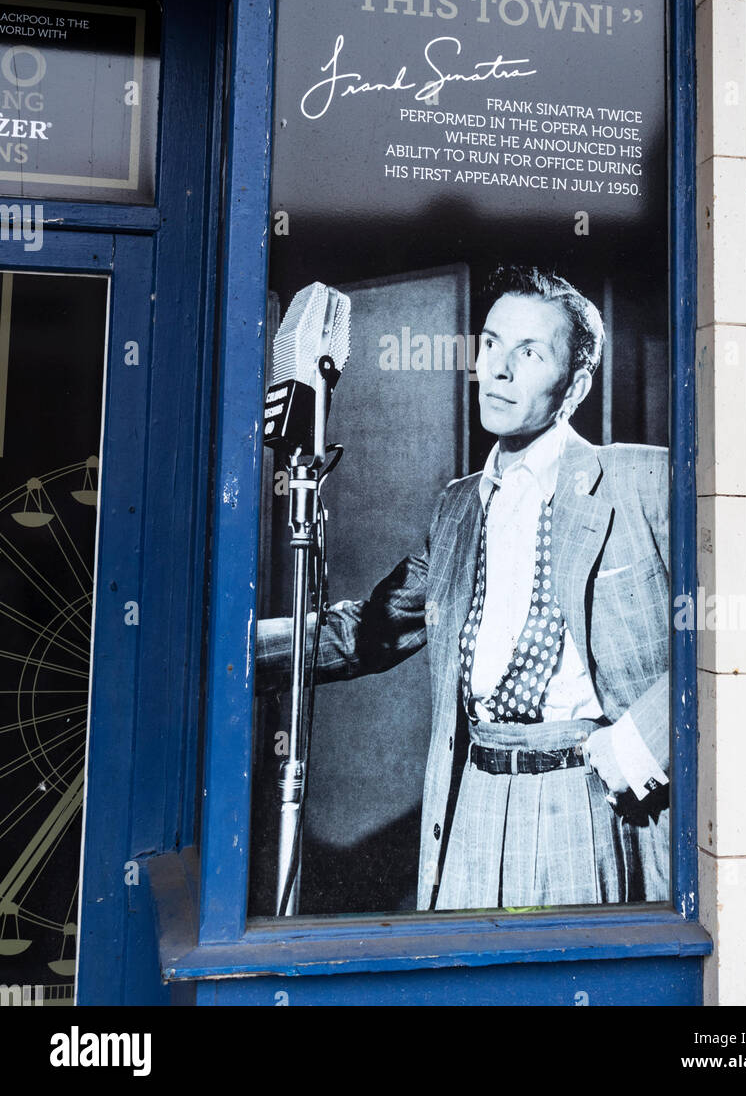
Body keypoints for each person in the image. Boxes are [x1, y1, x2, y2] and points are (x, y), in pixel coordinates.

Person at [262, 265, 669, 909]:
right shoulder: (456, 509)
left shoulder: (643, 482)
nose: (498, 370)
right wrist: (222, 651)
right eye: (490, 343)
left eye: (529, 352)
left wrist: (644, 738)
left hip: (583, 798)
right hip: (471, 803)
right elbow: (366, 631)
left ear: (576, 383)